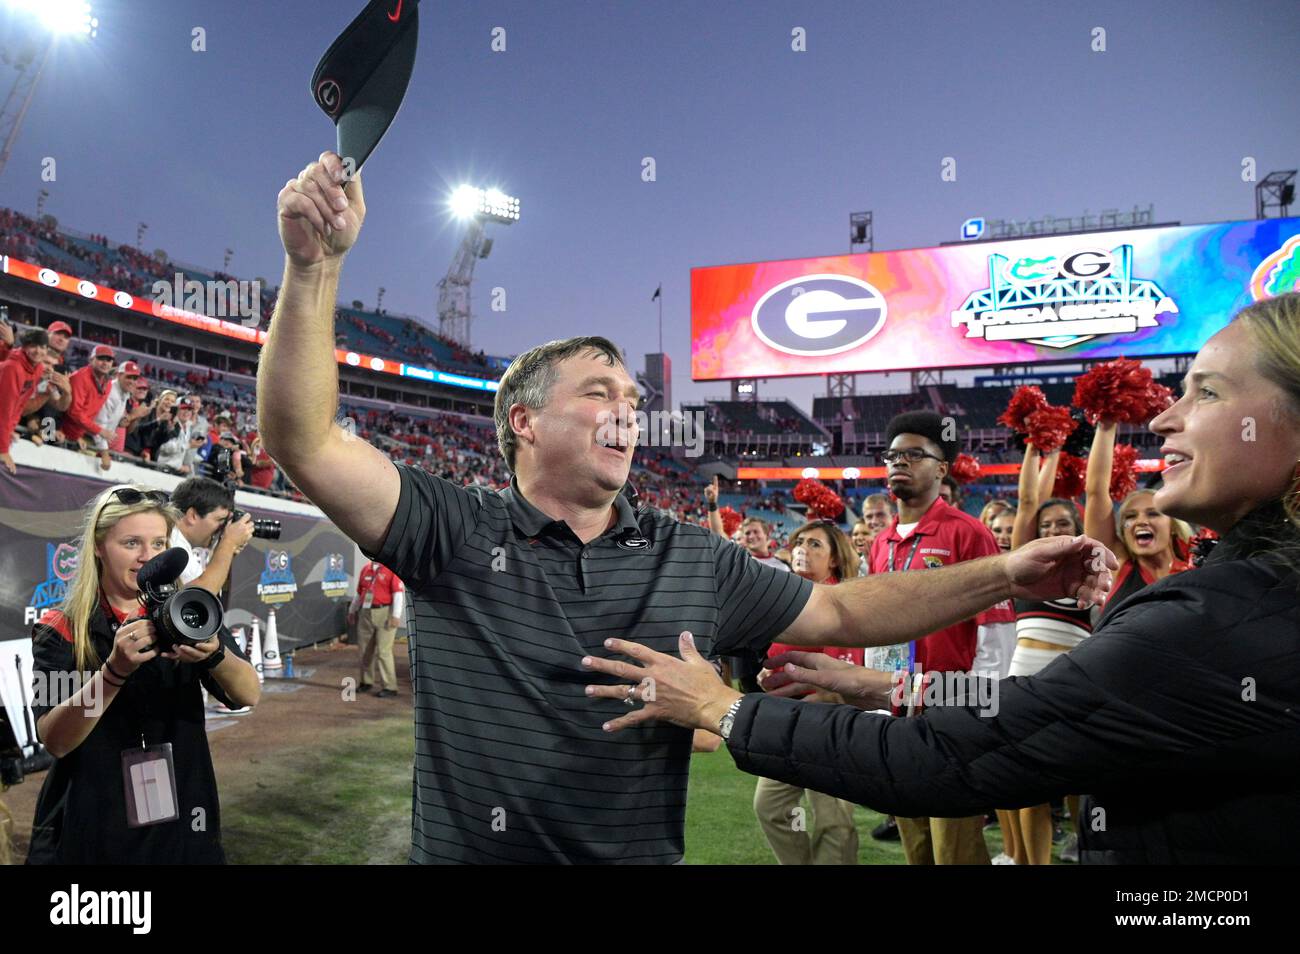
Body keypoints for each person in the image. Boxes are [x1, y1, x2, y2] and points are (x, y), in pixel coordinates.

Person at [257, 151, 1112, 863]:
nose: (629, 409)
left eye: (633, 394)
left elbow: (844, 606)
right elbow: (306, 440)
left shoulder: (692, 554)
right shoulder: (452, 527)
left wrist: (1006, 569)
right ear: (523, 420)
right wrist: (313, 268)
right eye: (599, 392)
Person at [592, 292, 1300, 865]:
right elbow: (1027, 703)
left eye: (1206, 393)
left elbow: (961, 749)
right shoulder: (1247, 591)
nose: (1169, 415)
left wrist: (724, 708)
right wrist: (876, 685)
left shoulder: (1223, 613)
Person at [26, 484, 260, 863]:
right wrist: (114, 671)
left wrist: (214, 654)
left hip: (183, 812)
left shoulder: (187, 611)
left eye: (158, 544)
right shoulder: (60, 628)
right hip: (96, 816)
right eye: (131, 543)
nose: (146, 558)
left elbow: (248, 693)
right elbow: (55, 739)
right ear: (99, 546)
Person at [752, 520, 862, 864]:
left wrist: (833, 693)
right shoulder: (788, 601)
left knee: (833, 819)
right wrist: (767, 673)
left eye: (815, 544)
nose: (802, 548)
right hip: (785, 721)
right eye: (800, 541)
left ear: (833, 560)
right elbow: (777, 660)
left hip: (830, 723)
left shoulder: (846, 601)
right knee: (770, 807)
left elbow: (855, 670)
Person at [1085, 413, 1193, 620]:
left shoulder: (1197, 565)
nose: (1141, 521)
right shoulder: (1118, 564)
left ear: (1172, 525)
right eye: (1130, 516)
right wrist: (1107, 423)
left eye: (1153, 513)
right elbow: (1096, 492)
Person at [169, 476, 255, 595]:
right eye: (220, 520)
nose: (223, 528)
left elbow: (208, 582)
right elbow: (200, 596)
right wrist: (228, 544)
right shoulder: (172, 545)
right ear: (193, 515)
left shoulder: (175, 537)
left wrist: (223, 551)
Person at [348, 560, 406, 697]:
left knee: (383, 651)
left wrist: (396, 615)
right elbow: (359, 593)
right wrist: (352, 610)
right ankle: (366, 682)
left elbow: (398, 594)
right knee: (364, 650)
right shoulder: (365, 569)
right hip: (365, 613)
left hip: (385, 613)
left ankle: (390, 686)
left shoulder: (391, 570)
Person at [0, 327, 48, 474]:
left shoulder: (38, 367)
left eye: (42, 347)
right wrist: (3, 449)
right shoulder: (13, 367)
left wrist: (9, 431)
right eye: (33, 346)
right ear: (25, 347)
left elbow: (19, 405)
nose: (38, 351)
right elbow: (4, 409)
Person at [60, 344, 115, 450]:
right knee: (43, 454)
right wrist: (99, 430)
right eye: (100, 359)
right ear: (91, 359)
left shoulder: (107, 384)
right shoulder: (80, 377)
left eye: (109, 360)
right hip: (57, 429)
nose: (105, 363)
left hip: (74, 436)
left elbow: (90, 413)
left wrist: (78, 436)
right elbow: (74, 412)